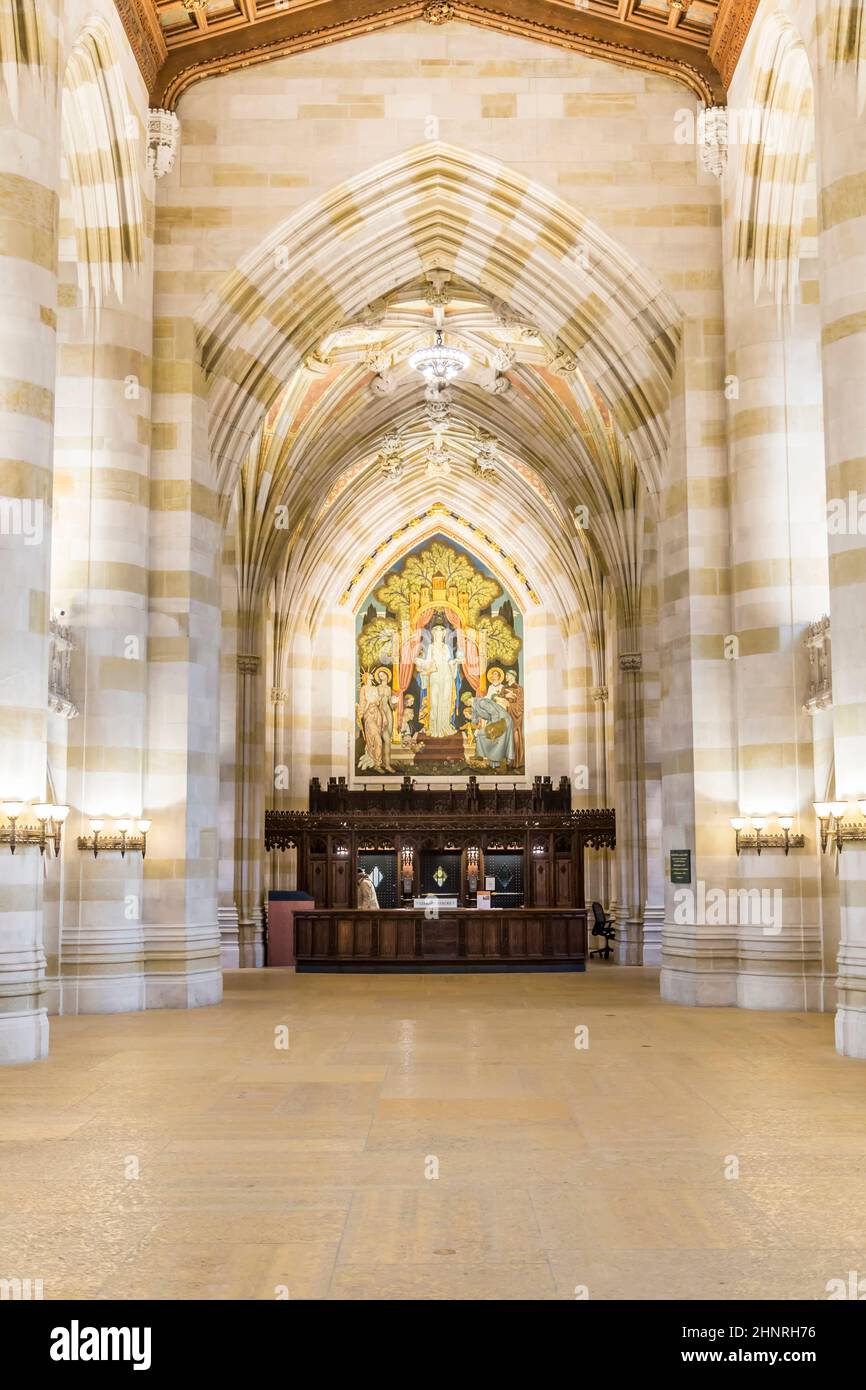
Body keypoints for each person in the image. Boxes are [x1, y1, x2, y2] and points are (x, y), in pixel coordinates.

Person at [414, 622, 463, 737]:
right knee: (434, 700)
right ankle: (433, 727)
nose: (438, 635)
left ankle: (444, 726)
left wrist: (456, 661)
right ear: (433, 634)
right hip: (435, 674)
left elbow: (449, 661)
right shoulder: (430, 647)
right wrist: (420, 664)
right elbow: (428, 662)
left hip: (447, 674)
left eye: (440, 633)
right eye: (436, 633)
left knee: (446, 699)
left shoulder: (446, 647)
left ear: (444, 634)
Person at [471, 681, 515, 770]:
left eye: (467, 703)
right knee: (483, 735)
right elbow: (474, 719)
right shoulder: (475, 706)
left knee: (495, 740)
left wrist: (492, 726)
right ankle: (493, 763)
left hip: (502, 720)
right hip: (497, 721)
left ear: (469, 700)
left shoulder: (481, 702)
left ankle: (496, 762)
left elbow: (494, 713)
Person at [500, 669, 524, 768]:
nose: (506, 676)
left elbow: (521, 704)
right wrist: (506, 696)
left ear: (513, 676)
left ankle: (516, 761)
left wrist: (509, 705)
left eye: (507, 675)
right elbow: (498, 699)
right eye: (505, 675)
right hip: (504, 714)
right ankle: (505, 760)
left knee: (515, 735)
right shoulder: (504, 688)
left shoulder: (519, 689)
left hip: (514, 715)